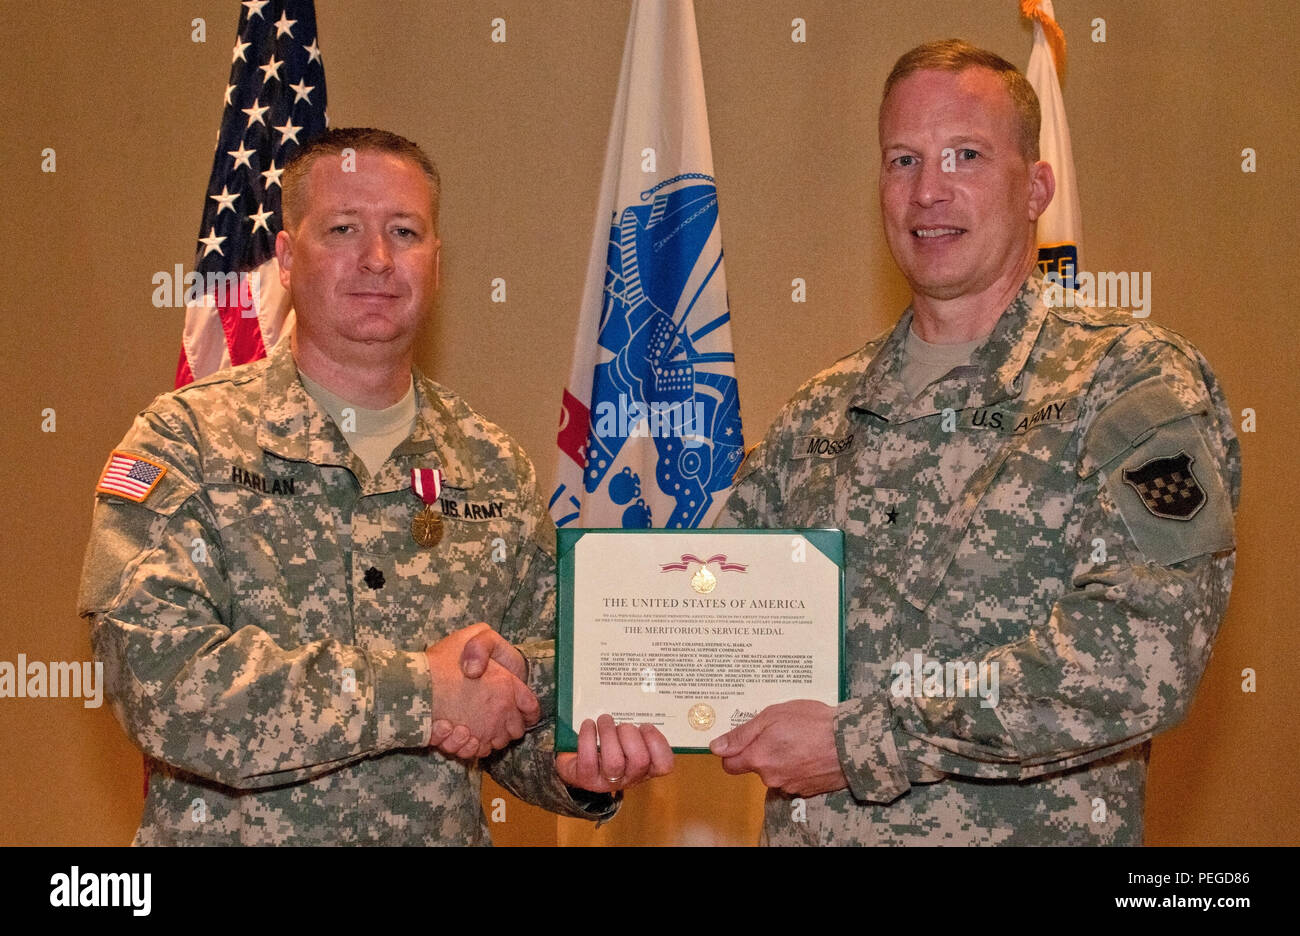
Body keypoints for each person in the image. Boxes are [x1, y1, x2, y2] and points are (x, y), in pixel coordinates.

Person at [710, 40, 1239, 845]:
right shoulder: (821, 412)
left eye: (966, 155)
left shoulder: (1129, 384)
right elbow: (697, 607)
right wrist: (560, 691)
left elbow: (1143, 653)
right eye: (902, 160)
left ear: (1035, 187)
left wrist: (864, 742)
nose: (929, 190)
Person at [78, 127, 671, 845]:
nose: (378, 259)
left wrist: (580, 766)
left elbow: (531, 697)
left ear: (438, 262)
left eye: (404, 231)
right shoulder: (187, 443)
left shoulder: (490, 466)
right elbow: (160, 683)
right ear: (289, 260)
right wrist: (420, 691)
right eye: (343, 229)